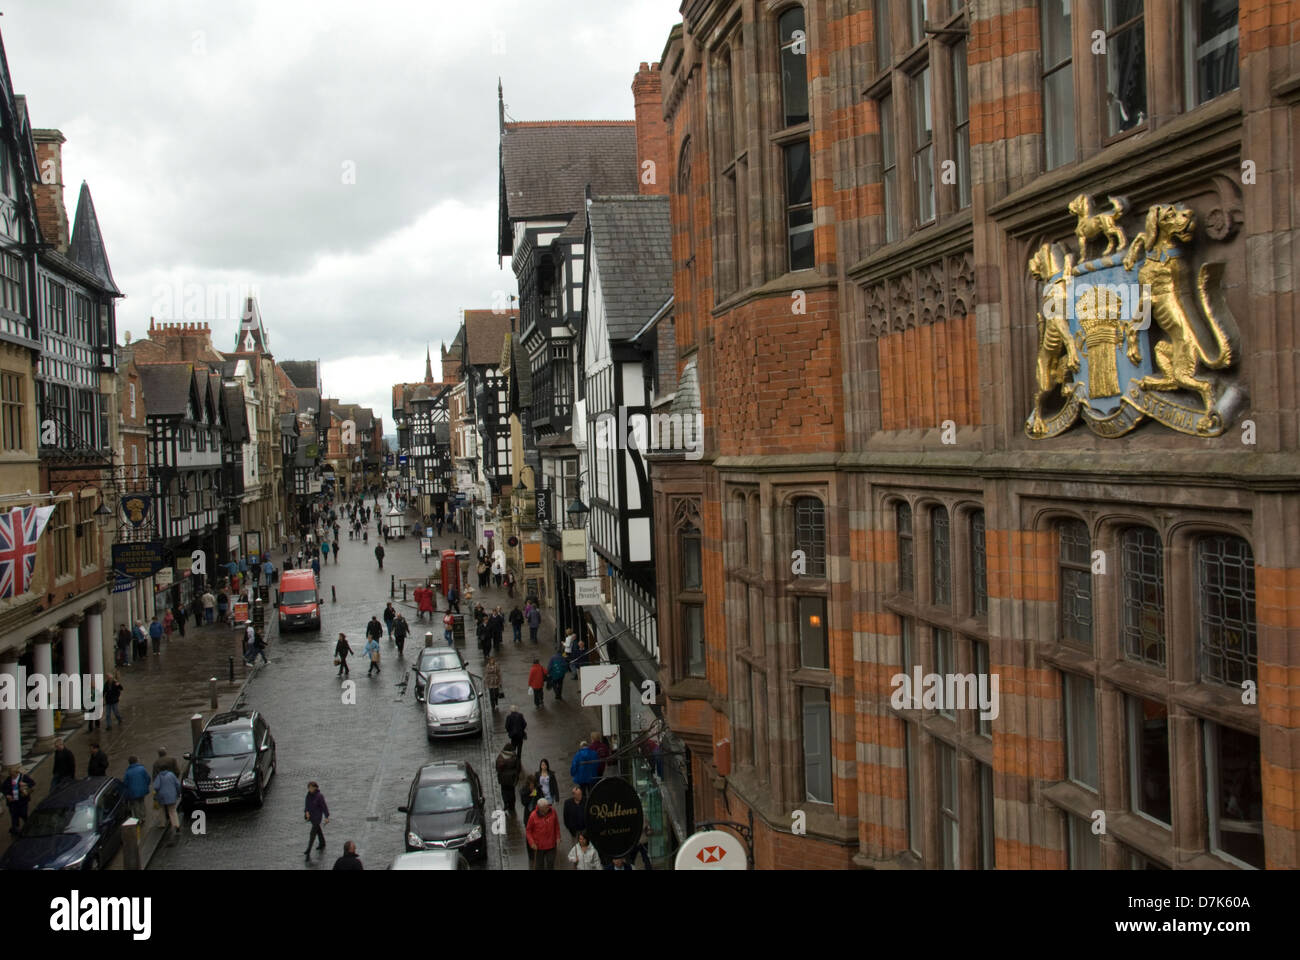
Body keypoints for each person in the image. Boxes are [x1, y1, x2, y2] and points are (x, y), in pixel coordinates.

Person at [526, 797, 560, 870]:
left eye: (548, 806)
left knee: (550, 863)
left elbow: (556, 825)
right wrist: (532, 843)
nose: (548, 808)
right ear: (540, 808)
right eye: (546, 807)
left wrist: (558, 837)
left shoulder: (553, 811)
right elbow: (528, 831)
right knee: (539, 866)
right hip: (539, 846)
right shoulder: (533, 816)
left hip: (551, 844)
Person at [2, 765, 35, 835]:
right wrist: (7, 795)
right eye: (11, 775)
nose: (12, 777)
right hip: (13, 802)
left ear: (17, 773)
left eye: (13, 775)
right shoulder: (8, 779)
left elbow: (32, 783)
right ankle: (16, 830)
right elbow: (3, 788)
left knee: (23, 814)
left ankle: (28, 827)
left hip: (22, 801)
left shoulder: (23, 778)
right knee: (14, 816)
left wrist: (25, 784)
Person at [303, 781, 330, 858]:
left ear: (315, 787)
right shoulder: (308, 796)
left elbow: (324, 807)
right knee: (318, 830)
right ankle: (322, 842)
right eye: (309, 788)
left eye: (311, 787)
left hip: (317, 817)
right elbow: (306, 805)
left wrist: (326, 817)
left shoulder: (319, 796)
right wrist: (306, 812)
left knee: (312, 833)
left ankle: (308, 849)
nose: (310, 789)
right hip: (311, 817)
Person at [122, 756, 150, 826]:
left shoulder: (128, 772)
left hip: (133, 793)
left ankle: (139, 819)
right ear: (136, 761)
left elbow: (125, 783)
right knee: (142, 802)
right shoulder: (142, 769)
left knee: (135, 805)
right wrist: (145, 785)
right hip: (142, 791)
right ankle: (143, 816)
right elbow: (148, 778)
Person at [495, 744, 520, 816]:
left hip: (503, 779)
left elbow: (497, 768)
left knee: (504, 791)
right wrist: (516, 775)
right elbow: (518, 768)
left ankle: (506, 803)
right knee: (511, 791)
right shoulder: (514, 757)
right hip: (511, 779)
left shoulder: (500, 756)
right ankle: (512, 806)